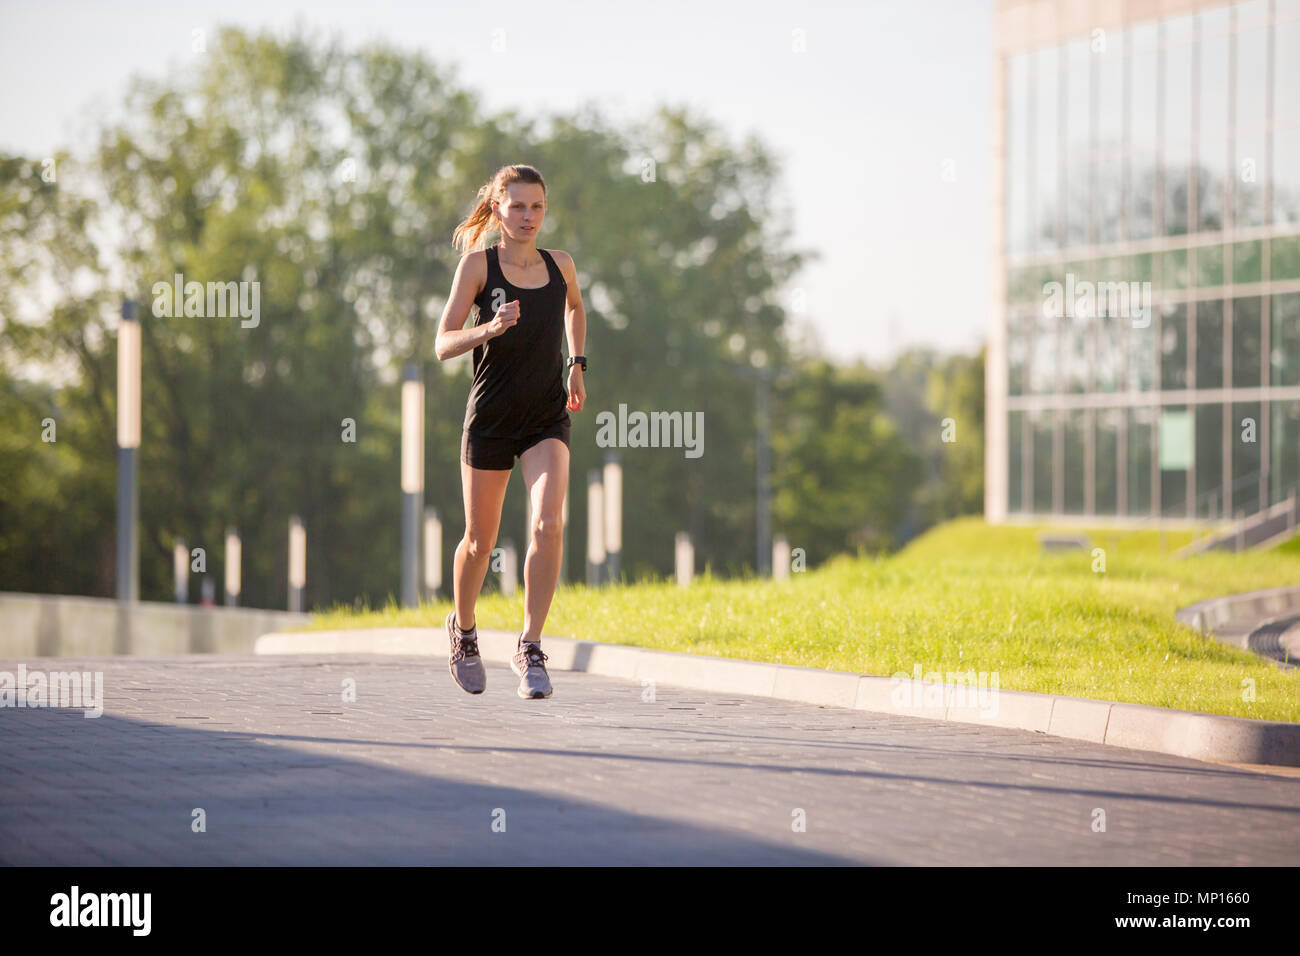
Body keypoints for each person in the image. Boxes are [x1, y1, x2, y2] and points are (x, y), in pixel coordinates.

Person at [434, 164, 587, 699]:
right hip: (492, 418)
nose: (528, 216)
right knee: (480, 542)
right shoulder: (478, 266)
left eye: (537, 207)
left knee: (549, 523)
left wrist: (577, 363)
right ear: (497, 209)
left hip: (546, 416)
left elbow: (575, 310)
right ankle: (465, 629)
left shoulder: (560, 264)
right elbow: (442, 342)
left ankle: (530, 645)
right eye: (517, 206)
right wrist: (489, 328)